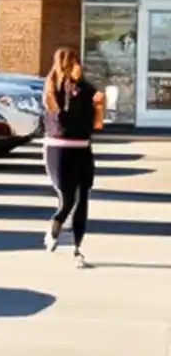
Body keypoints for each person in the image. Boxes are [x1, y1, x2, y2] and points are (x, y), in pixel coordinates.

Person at [42, 46, 105, 268]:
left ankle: (77, 248)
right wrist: (74, 91)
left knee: (83, 198)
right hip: (58, 149)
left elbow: (96, 124)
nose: (75, 66)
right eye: (71, 62)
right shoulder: (52, 87)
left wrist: (99, 105)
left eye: (76, 61)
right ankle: (56, 224)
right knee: (68, 198)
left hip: (83, 148)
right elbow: (62, 119)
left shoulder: (86, 89)